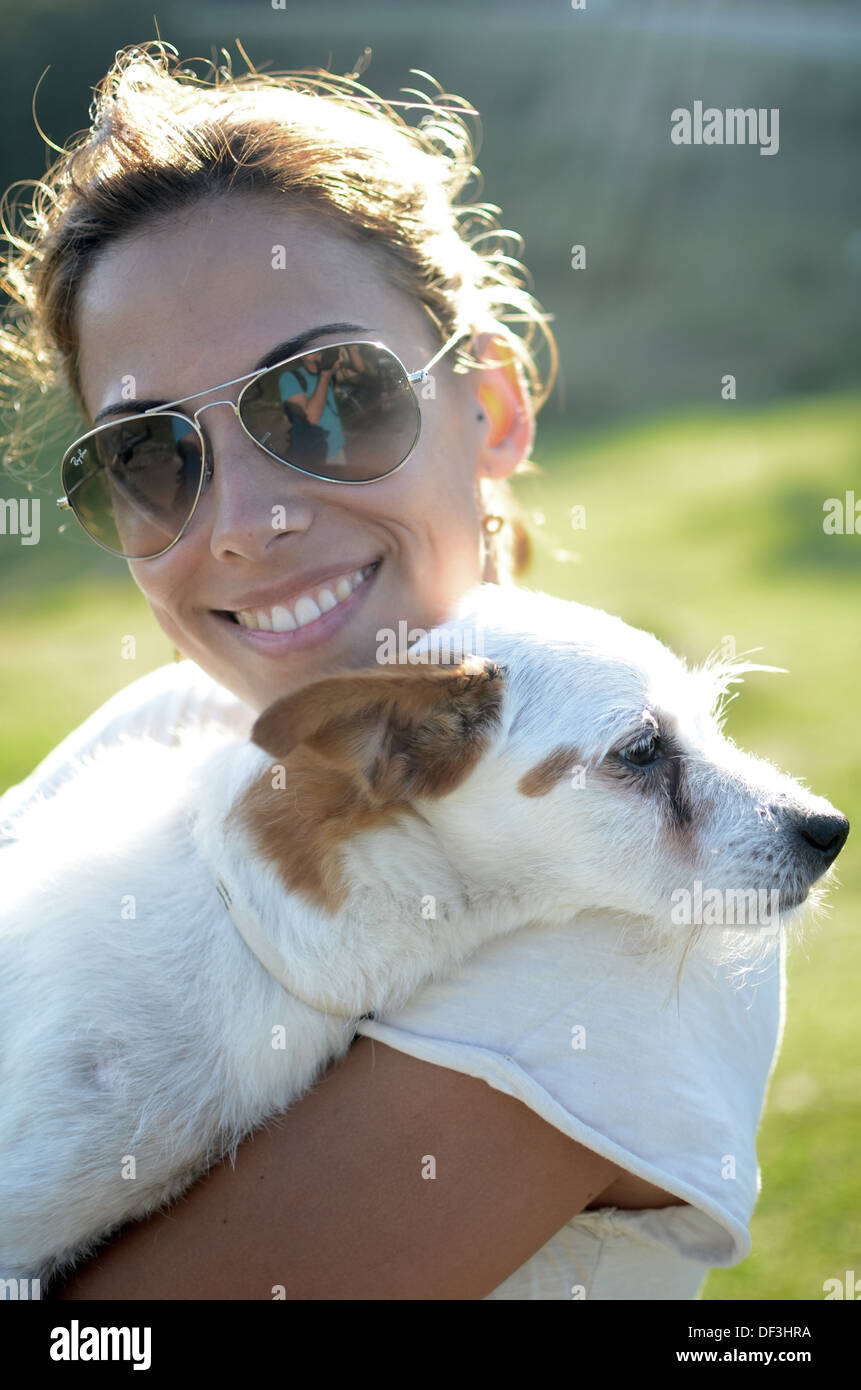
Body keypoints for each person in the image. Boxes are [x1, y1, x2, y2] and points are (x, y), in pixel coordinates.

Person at [0, 43, 784, 1300]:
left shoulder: (630, 888)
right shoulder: (159, 736)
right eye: (147, 458)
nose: (247, 520)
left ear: (492, 404)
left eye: (323, 398)